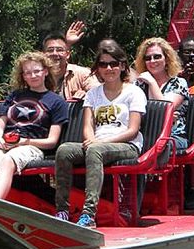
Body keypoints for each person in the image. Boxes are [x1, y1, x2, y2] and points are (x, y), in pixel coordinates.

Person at [53, 41, 146, 228]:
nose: (108, 68)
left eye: (113, 64)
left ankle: (88, 215)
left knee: (95, 150)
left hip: (127, 145)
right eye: (103, 64)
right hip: (97, 144)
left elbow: (132, 130)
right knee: (64, 150)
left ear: (121, 66)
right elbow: (88, 125)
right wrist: (91, 139)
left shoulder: (134, 92)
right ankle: (62, 209)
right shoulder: (93, 94)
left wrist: (99, 142)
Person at [0, 52, 69, 199]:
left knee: (8, 160)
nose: (33, 76)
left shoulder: (57, 102)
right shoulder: (14, 96)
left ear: (45, 71)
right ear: (23, 76)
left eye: (36, 71)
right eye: (28, 73)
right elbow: (0, 125)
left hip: (31, 146)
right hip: (5, 143)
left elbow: (51, 141)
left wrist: (22, 142)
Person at [134, 37, 190, 151]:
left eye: (157, 56)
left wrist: (152, 82)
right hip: (144, 134)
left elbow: (165, 108)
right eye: (148, 58)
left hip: (173, 137)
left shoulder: (179, 83)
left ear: (167, 59)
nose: (152, 61)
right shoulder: (139, 85)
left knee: (152, 144)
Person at [42, 21, 99, 99]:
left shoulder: (82, 74)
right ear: (43, 54)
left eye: (59, 50)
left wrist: (87, 94)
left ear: (68, 54)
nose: (55, 53)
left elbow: (100, 93)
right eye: (50, 50)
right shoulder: (35, 75)